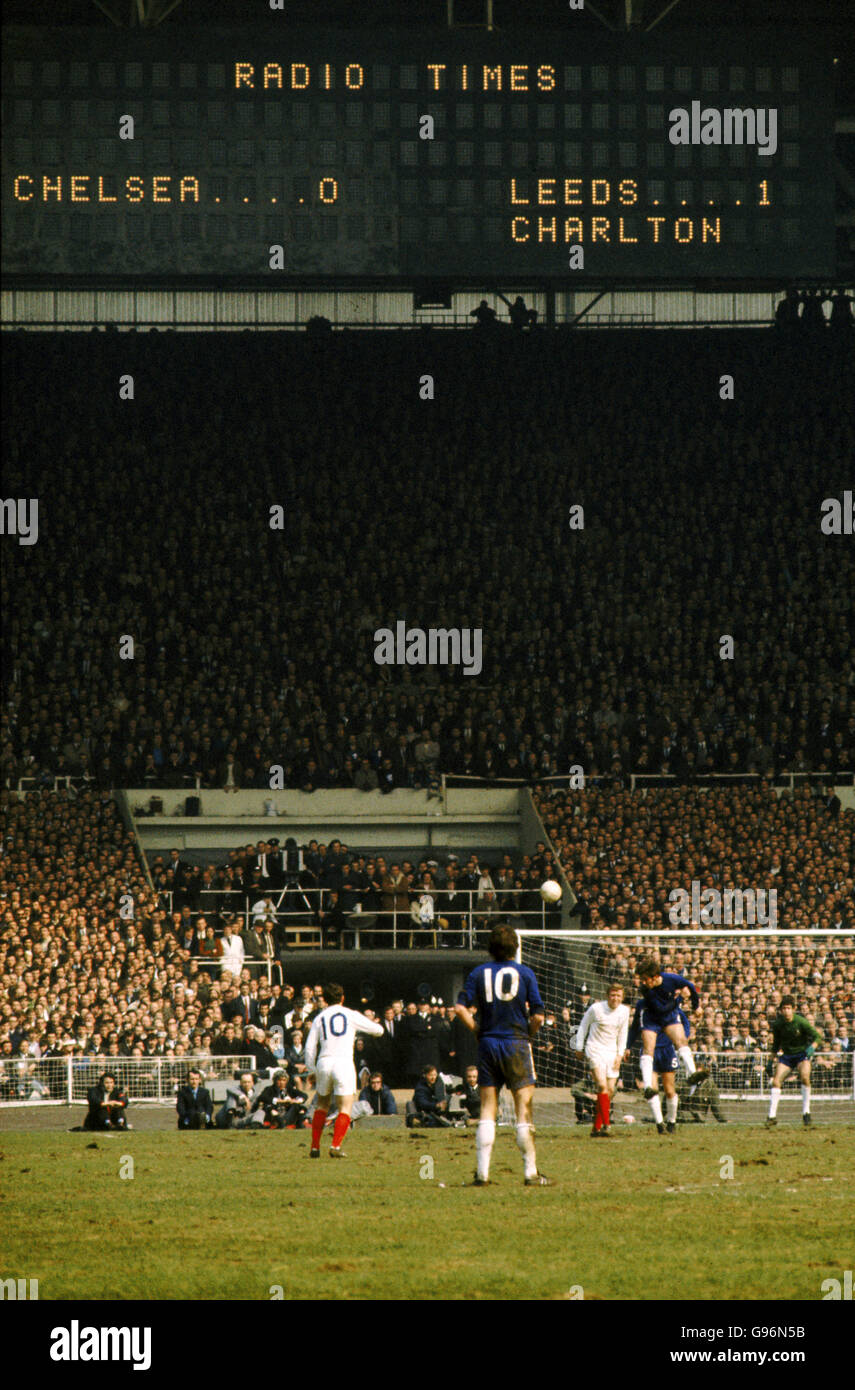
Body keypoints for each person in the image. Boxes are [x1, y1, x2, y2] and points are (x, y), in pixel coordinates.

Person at [455, 921, 550, 1186]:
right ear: (515, 947)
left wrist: (476, 1030)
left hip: (488, 1043)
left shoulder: (477, 973)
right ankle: (530, 1173)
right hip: (516, 1043)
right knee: (523, 1107)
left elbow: (460, 1009)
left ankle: (482, 1174)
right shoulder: (526, 973)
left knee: (487, 1107)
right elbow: (539, 1017)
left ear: (490, 948)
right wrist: (528, 1034)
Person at [303, 982, 384, 1158]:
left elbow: (309, 1047)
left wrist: (311, 1070)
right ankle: (335, 1146)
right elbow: (378, 1031)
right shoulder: (350, 1014)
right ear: (343, 998)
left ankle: (315, 1146)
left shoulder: (320, 1017)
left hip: (324, 1061)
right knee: (345, 1107)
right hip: (343, 1062)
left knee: (322, 1104)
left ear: (324, 999)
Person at [634, 956, 709, 1098]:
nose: (642, 982)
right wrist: (681, 998)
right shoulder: (645, 989)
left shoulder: (671, 979)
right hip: (653, 1018)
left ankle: (693, 1074)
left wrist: (696, 1006)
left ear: (655, 976)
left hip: (669, 1016)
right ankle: (648, 1086)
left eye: (645, 978)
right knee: (648, 1048)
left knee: (681, 1041)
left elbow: (691, 986)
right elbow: (661, 1008)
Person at [573, 983, 630, 1137]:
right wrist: (579, 1047)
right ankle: (606, 1125)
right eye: (613, 995)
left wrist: (620, 1054)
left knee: (610, 1091)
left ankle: (596, 1127)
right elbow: (583, 1026)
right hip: (594, 1049)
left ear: (622, 997)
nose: (615, 998)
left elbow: (623, 1034)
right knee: (601, 1085)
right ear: (607, 995)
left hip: (612, 1052)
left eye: (618, 995)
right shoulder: (596, 1008)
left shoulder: (624, 1011)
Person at [627, 1004, 687, 1134]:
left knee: (670, 1090)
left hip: (667, 1050)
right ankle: (660, 1124)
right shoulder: (643, 1006)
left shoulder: (669, 1004)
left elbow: (684, 1022)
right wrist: (628, 1046)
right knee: (652, 1089)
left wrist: (682, 1038)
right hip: (649, 1052)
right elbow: (634, 1028)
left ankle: (672, 1122)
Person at [765, 996, 822, 1129]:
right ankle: (772, 1116)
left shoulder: (801, 1022)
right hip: (787, 1056)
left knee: (805, 1078)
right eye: (784, 1009)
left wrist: (812, 1047)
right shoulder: (778, 1024)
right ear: (780, 1010)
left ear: (794, 1009)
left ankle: (806, 1113)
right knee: (776, 1081)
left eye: (788, 1008)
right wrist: (770, 1061)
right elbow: (775, 1045)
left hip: (802, 1055)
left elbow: (817, 1036)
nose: (786, 1011)